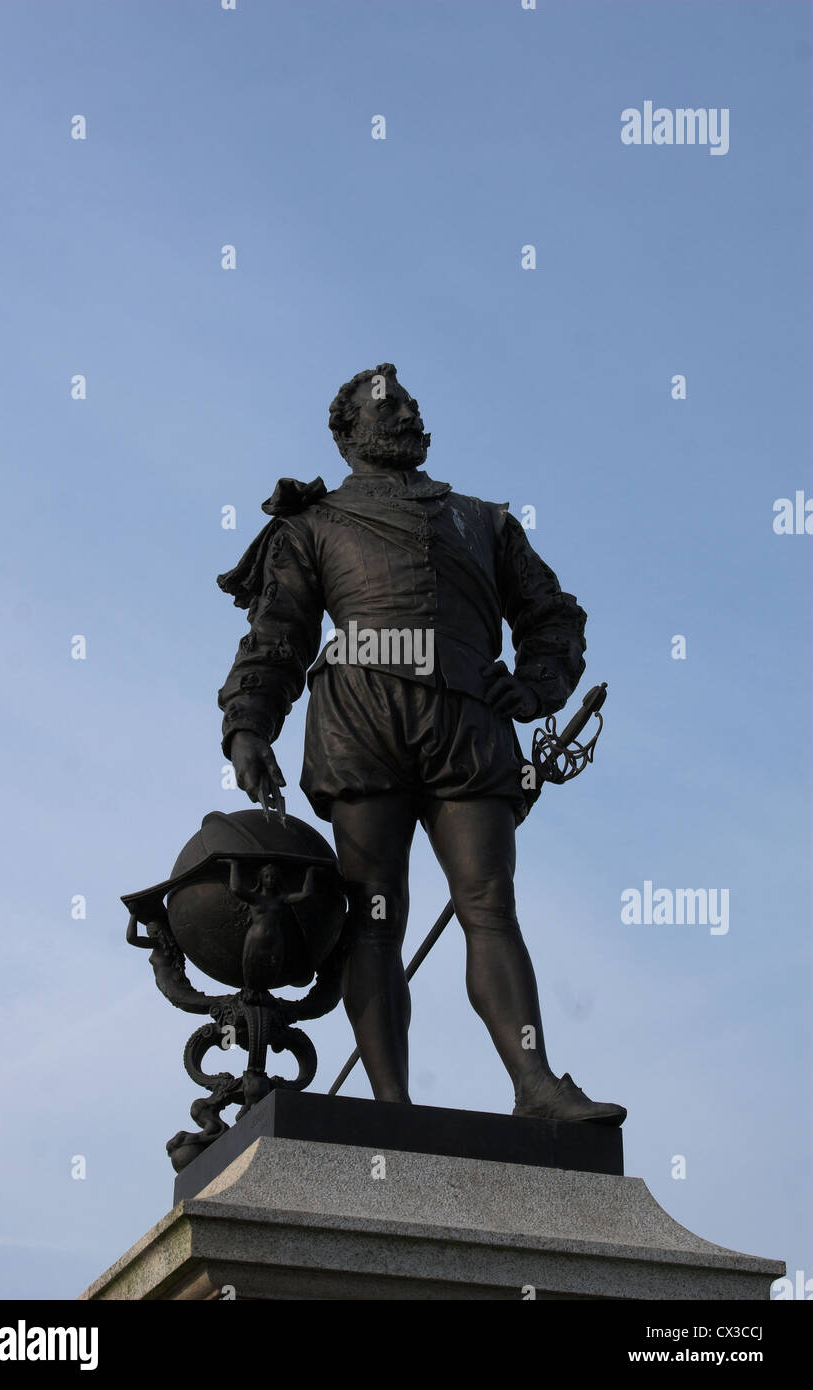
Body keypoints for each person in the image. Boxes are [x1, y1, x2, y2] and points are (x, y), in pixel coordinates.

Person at [216, 363, 625, 1123]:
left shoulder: (484, 521)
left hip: (467, 721)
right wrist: (248, 725)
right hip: (361, 720)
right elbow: (277, 635)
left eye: (409, 402)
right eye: (388, 406)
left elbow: (554, 618)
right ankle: (392, 1105)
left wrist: (535, 687)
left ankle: (536, 1086)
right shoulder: (312, 525)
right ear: (348, 434)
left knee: (490, 903)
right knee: (375, 912)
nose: (407, 413)